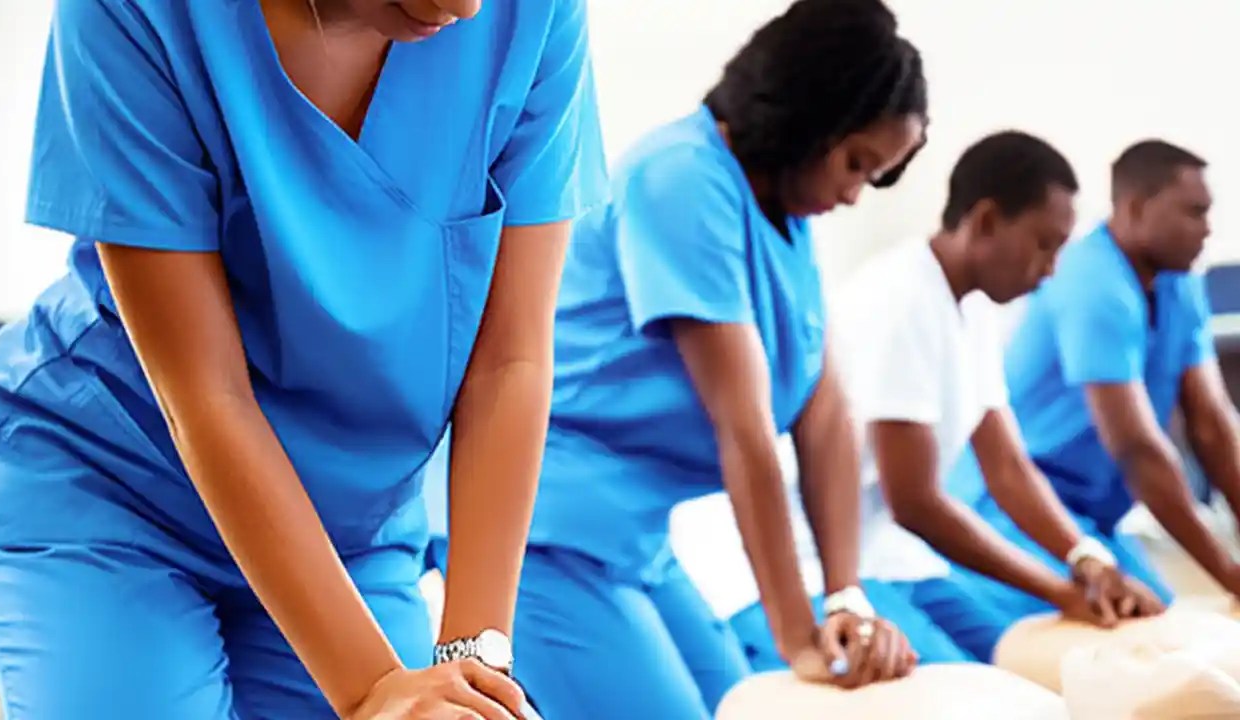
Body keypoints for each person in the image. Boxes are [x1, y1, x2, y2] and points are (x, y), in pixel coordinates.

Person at [0, 1, 605, 718]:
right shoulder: (133, 12)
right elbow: (206, 395)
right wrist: (376, 692)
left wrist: (472, 670)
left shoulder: (535, 13)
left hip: (350, 529)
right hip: (118, 489)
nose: (467, 8)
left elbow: (508, 360)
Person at [454, 1, 928, 716]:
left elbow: (825, 414)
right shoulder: (682, 176)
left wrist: (845, 594)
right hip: (550, 532)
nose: (857, 192)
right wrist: (800, 633)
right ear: (810, 115)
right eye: (856, 162)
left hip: (637, 543)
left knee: (745, 701)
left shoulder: (789, 223)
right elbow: (745, 425)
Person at [836, 131, 1163, 662]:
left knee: (1026, 669)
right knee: (976, 697)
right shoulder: (900, 301)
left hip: (893, 557)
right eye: (1043, 245)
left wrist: (1088, 561)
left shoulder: (974, 307)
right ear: (985, 221)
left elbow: (1008, 465)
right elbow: (915, 503)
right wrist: (1059, 590)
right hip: (825, 566)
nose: (1052, 268)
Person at [958, 139, 1240, 619]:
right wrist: (1230, 575)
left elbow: (1213, 424)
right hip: (1019, 512)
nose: (1207, 229)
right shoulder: (1094, 284)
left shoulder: (1180, 284)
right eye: (1193, 212)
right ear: (1135, 208)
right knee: (1137, 638)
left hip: (1094, 522)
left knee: (1168, 627)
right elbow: (1138, 449)